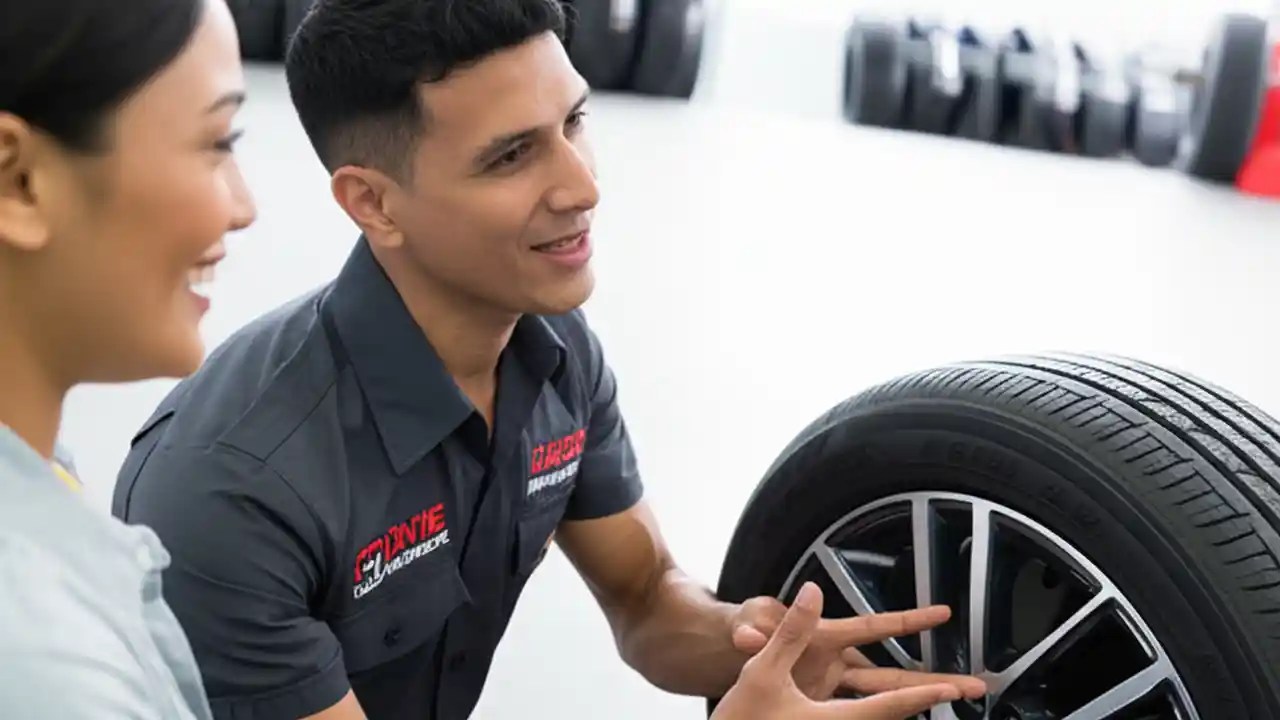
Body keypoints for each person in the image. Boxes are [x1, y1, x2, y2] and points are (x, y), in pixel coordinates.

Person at [111, 1, 988, 719]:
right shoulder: (232, 493)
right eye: (513, 155)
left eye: (573, 121)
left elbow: (646, 600)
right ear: (373, 203)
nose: (583, 186)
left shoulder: (558, 353)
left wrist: (751, 644)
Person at [0, 0, 256, 716]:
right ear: (19, 181)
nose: (244, 205)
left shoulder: (44, 479)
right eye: (217, 141)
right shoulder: (40, 664)